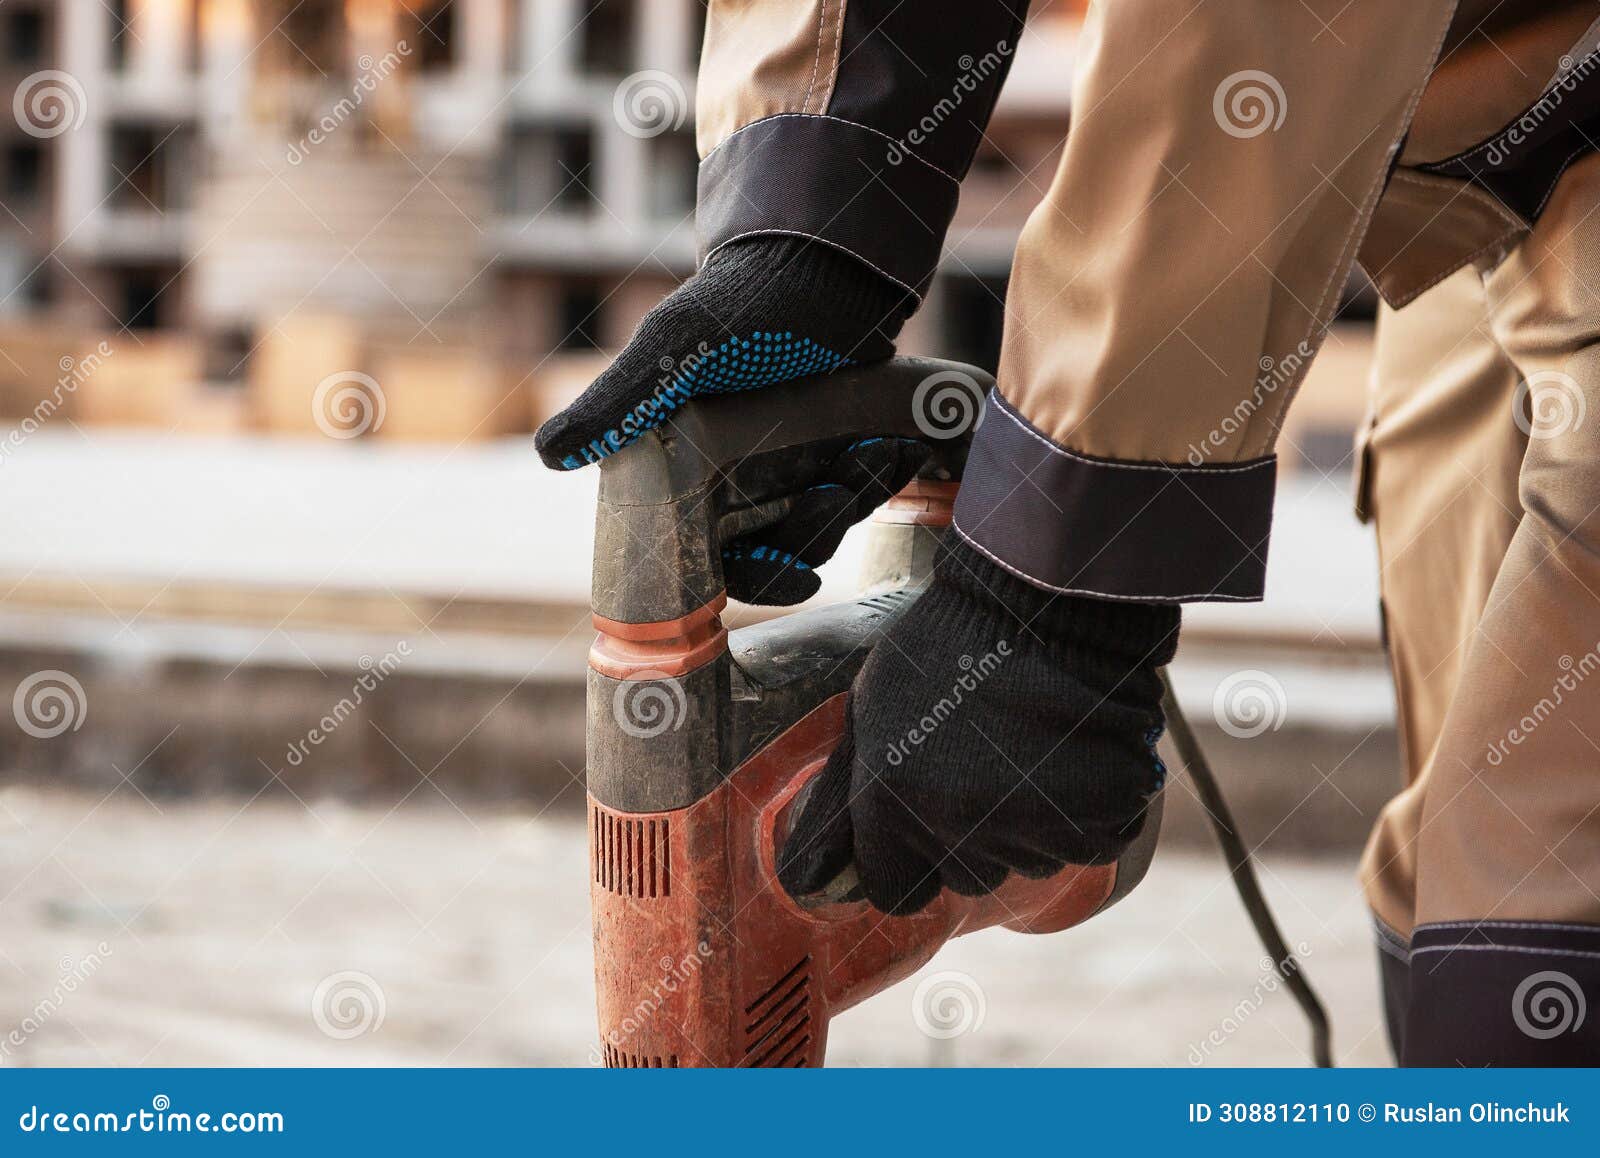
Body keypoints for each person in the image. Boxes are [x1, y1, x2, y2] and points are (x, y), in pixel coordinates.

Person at [537, 1, 1600, 1065]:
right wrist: (813, 219)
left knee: (1523, 897)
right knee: (1434, 838)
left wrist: (1054, 588)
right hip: (1479, 122)